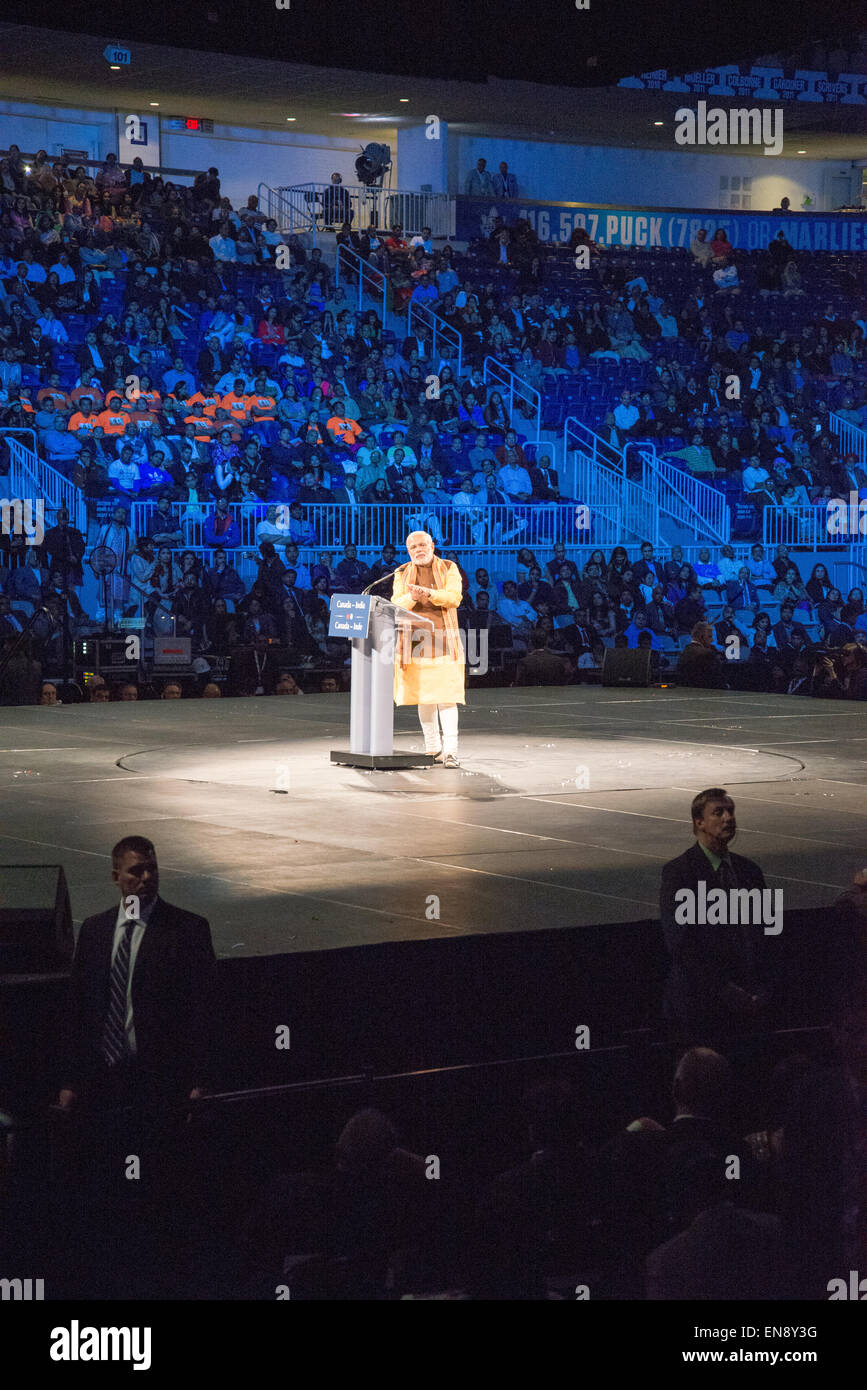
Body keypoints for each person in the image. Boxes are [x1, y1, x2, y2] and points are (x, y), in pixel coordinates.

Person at [56, 835, 216, 1124]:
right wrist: (70, 1081)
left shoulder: (187, 930)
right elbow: (78, 1009)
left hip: (160, 1081)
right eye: (136, 871)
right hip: (100, 1079)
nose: (147, 878)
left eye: (152, 869)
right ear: (116, 877)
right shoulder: (94, 930)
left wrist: (200, 1081)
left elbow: (203, 1009)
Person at [659, 789, 770, 1040]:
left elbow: (767, 931)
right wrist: (725, 989)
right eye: (718, 812)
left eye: (730, 811)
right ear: (699, 822)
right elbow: (681, 944)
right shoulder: (680, 873)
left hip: (750, 1000)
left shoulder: (749, 871)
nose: (728, 818)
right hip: (701, 1005)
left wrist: (762, 987)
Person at [391, 531, 465, 766]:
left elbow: (454, 598)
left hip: (444, 640)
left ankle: (451, 751)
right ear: (408, 551)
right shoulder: (401, 572)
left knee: (446, 698)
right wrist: (413, 597)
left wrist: (429, 593)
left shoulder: (449, 567)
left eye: (422, 545)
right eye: (413, 547)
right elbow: (395, 605)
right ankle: (433, 749)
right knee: (425, 698)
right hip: (413, 642)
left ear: (432, 545)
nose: (418, 550)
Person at [675, 622, 727, 689]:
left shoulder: (685, 651)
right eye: (710, 637)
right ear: (702, 637)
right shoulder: (706, 654)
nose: (712, 640)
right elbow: (717, 679)